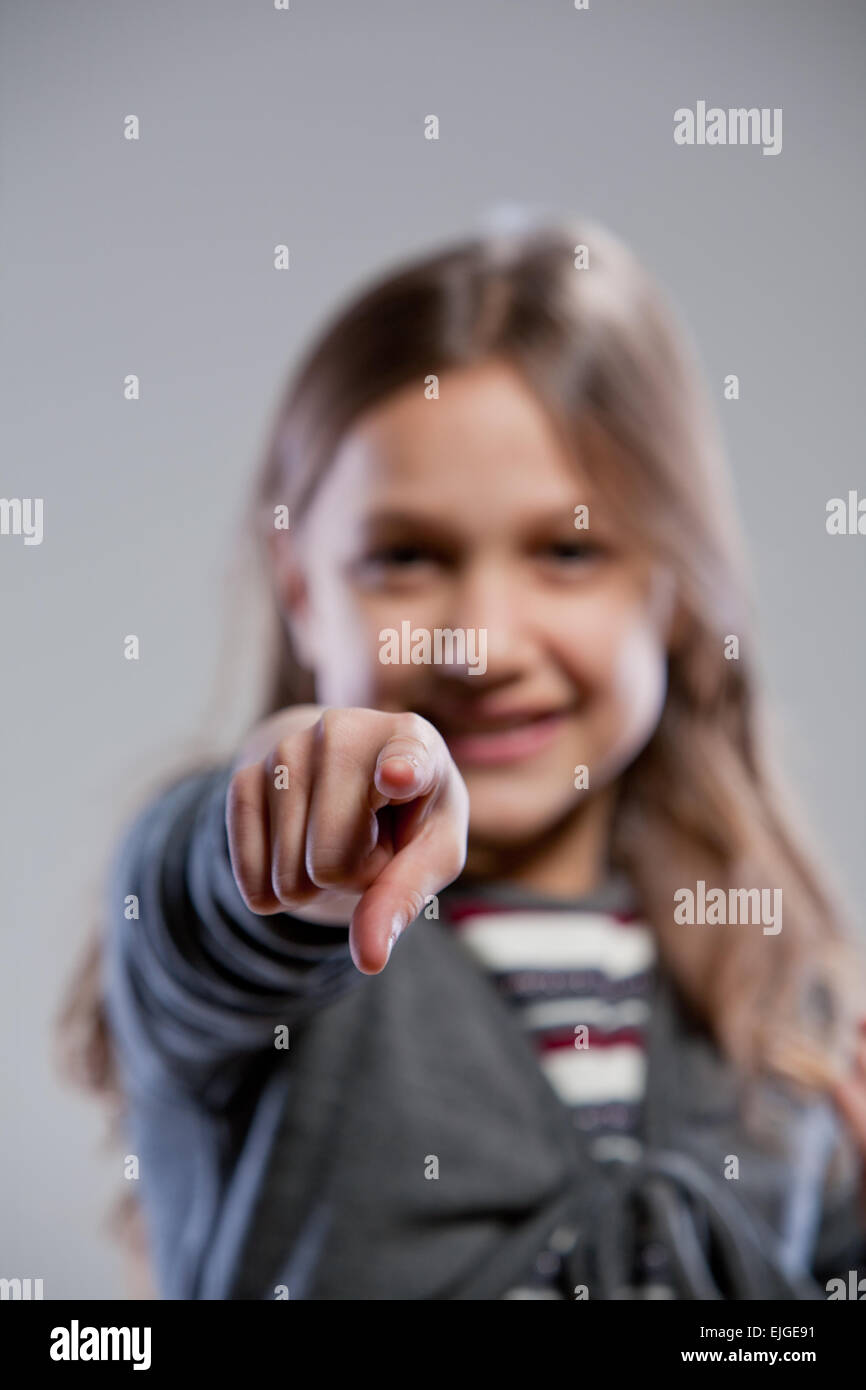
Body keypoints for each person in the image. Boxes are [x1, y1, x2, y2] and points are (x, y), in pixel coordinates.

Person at [60, 218, 866, 1299]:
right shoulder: (273, 927)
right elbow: (209, 897)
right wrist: (307, 810)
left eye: (567, 550)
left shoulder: (777, 996)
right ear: (302, 588)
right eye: (403, 558)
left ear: (672, 584)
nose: (479, 645)